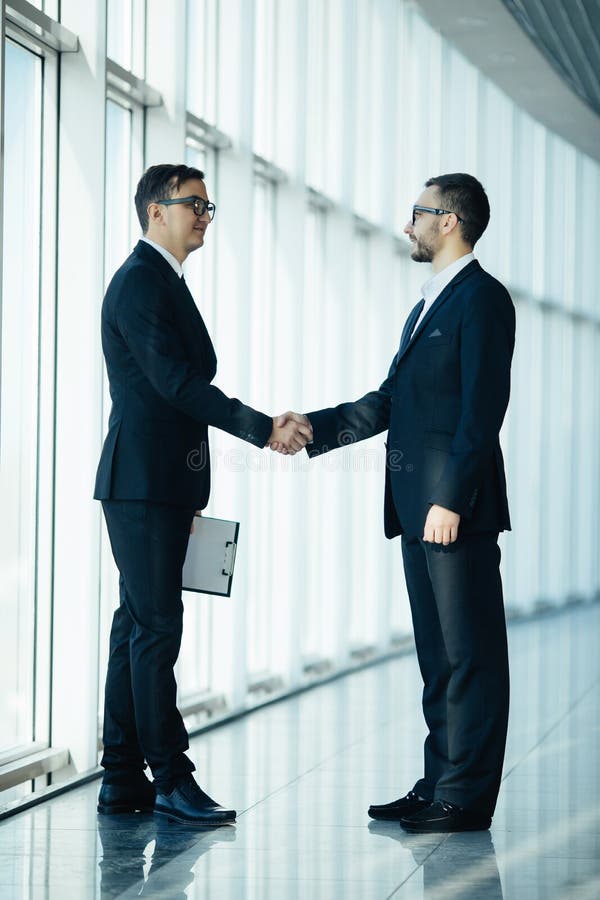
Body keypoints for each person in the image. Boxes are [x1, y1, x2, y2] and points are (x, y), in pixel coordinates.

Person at [275, 173, 515, 832]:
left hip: (449, 510)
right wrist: (315, 429)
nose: (406, 223)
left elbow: (481, 412)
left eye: (417, 212)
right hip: (416, 510)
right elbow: (391, 401)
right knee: (437, 658)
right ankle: (440, 779)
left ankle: (465, 798)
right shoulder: (427, 305)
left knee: (470, 655)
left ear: (449, 220)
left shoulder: (483, 300)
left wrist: (452, 499)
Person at [94, 163, 311, 826]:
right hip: (140, 483)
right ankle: (170, 777)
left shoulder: (163, 281)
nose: (206, 216)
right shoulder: (139, 284)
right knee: (157, 628)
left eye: (210, 206)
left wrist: (192, 492)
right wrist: (259, 427)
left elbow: (179, 389)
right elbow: (176, 386)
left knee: (137, 623)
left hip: (161, 483)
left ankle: (123, 776)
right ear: (157, 209)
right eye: (196, 204)